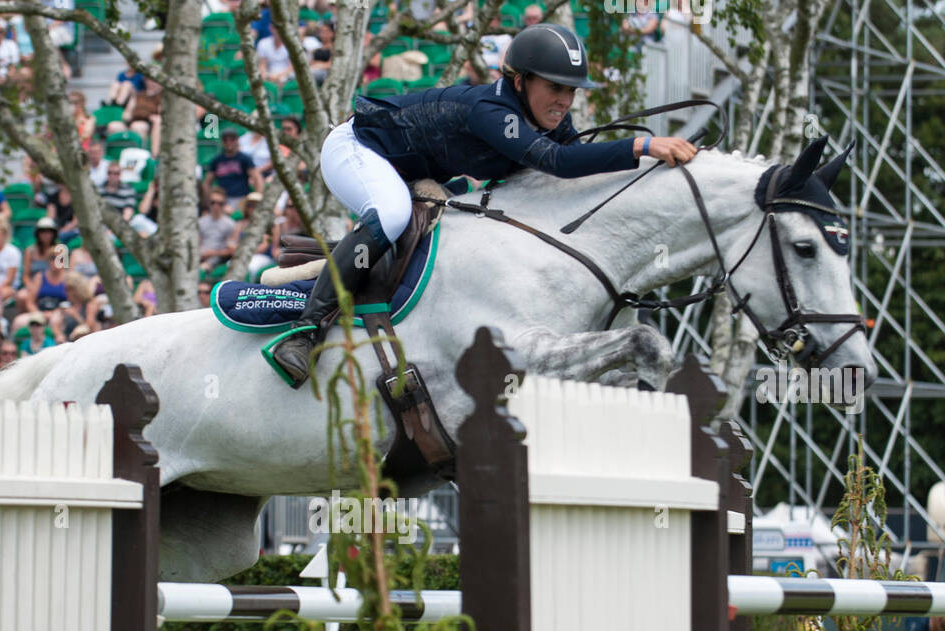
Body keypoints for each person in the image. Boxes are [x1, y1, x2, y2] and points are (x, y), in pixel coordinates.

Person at [269, 22, 698, 387]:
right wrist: (642, 145)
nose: (565, 101)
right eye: (554, 87)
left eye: (570, 90)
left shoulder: (547, 117)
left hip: (418, 170)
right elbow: (560, 163)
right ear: (519, 81)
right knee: (393, 213)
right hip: (358, 148)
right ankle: (305, 332)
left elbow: (573, 174)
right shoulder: (491, 111)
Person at [203, 128, 263, 211]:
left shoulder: (244, 159)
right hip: (222, 201)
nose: (228, 142)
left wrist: (257, 198)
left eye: (232, 139)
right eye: (225, 140)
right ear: (222, 142)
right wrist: (208, 201)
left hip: (242, 199)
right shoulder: (217, 160)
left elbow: (257, 178)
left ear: (237, 140)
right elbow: (207, 182)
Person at [198, 191, 239, 269]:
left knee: (203, 268)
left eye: (220, 203)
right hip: (200, 256)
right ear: (208, 203)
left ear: (224, 204)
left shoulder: (230, 224)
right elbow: (197, 243)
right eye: (213, 202)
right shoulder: (201, 222)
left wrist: (212, 253)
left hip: (218, 258)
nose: (216, 206)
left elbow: (232, 250)